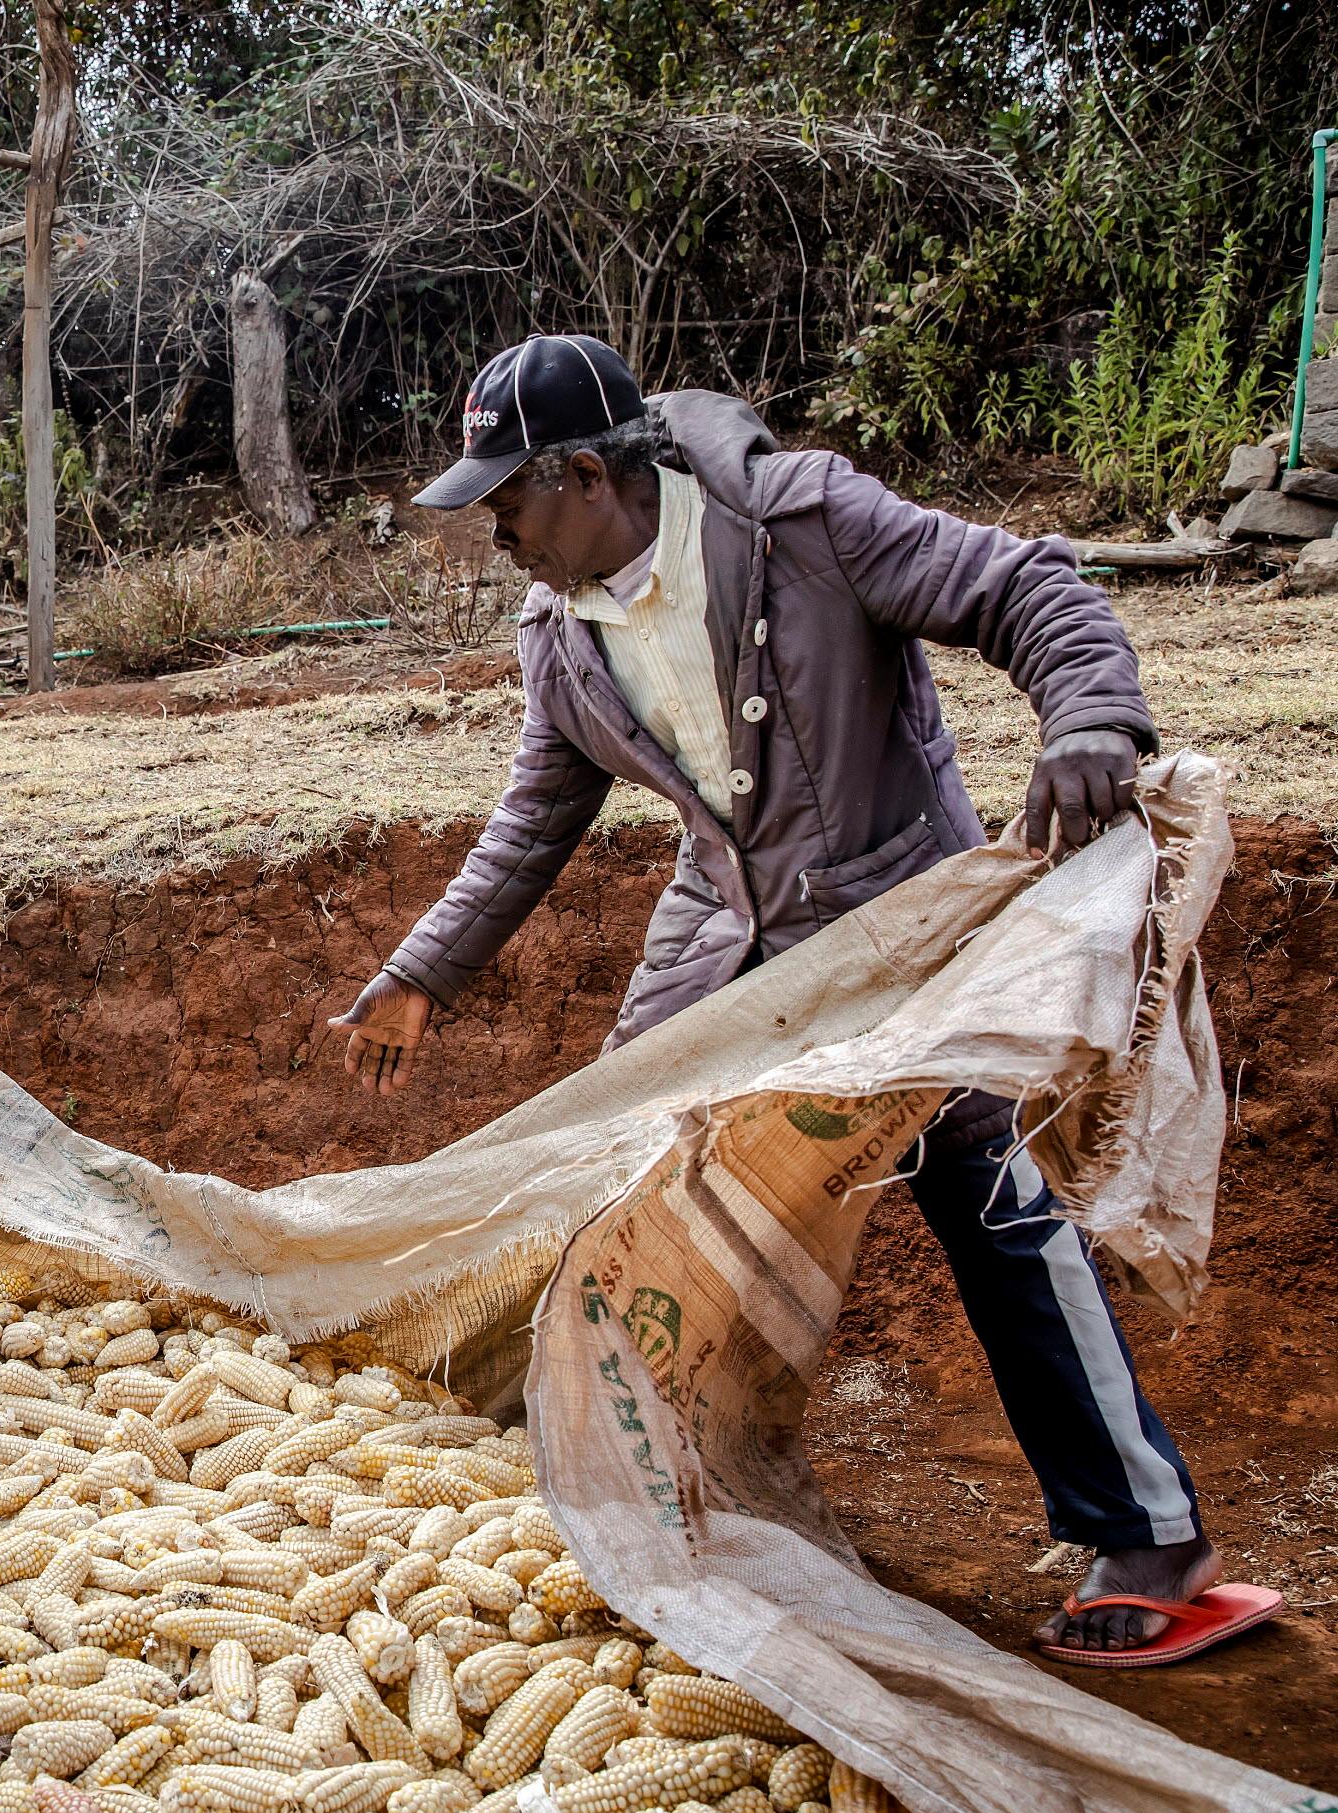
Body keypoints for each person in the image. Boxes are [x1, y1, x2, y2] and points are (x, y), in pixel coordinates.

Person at [333, 335, 1253, 1664]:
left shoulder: (808, 523)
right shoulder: (560, 632)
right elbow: (533, 821)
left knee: (986, 1192)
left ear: (587, 475)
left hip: (890, 928)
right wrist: (422, 970)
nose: (496, 539)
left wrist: (1092, 726)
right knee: (619, 1187)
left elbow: (1025, 589)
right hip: (724, 942)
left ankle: (1150, 1537)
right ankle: (626, 1484)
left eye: (508, 505)